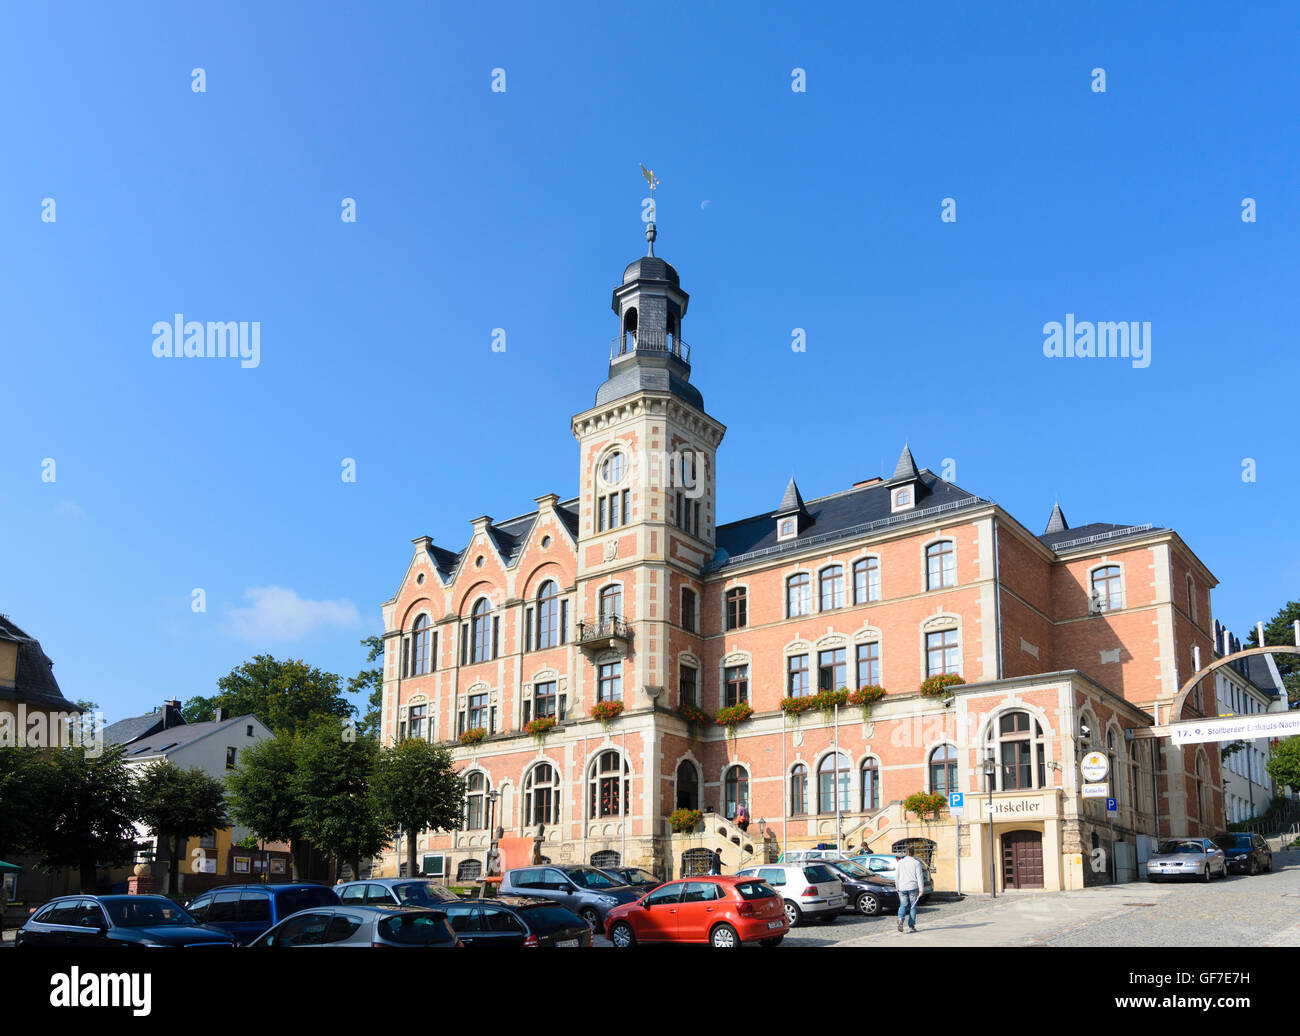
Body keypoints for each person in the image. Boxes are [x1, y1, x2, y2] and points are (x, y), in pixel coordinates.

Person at [895, 846, 925, 933]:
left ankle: (900, 918)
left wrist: (897, 887)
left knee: (903, 905)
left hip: (902, 887)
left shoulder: (900, 862)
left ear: (906, 853)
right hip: (913, 887)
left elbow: (897, 876)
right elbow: (920, 877)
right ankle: (911, 926)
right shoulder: (916, 863)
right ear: (913, 853)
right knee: (912, 907)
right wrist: (921, 889)